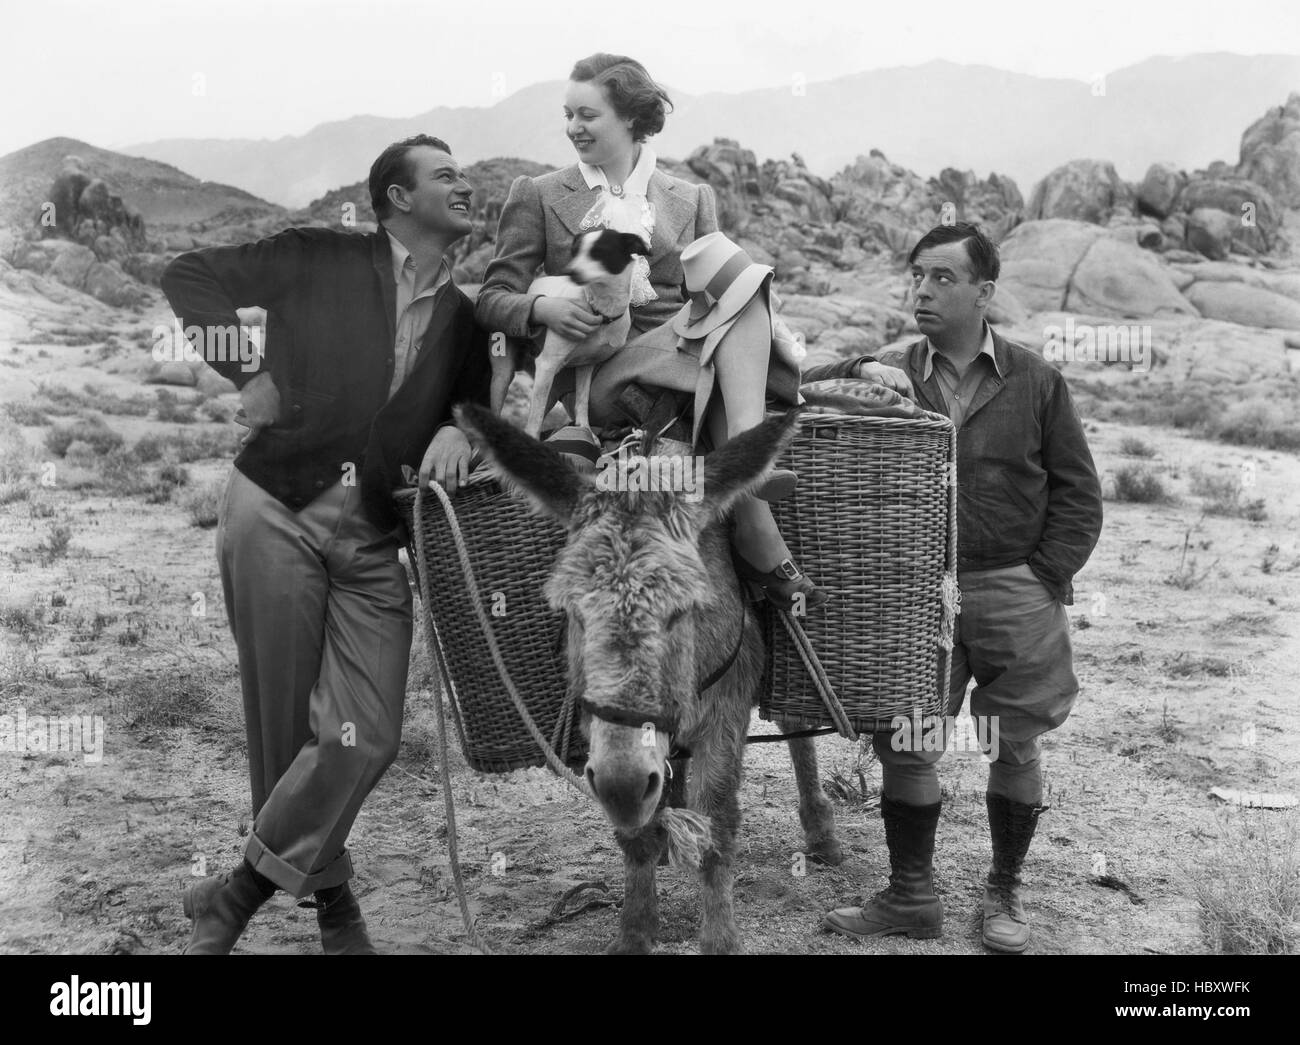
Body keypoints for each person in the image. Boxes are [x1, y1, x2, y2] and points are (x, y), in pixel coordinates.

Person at [160, 135, 490, 954]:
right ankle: (335, 903)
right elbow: (188, 276)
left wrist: (460, 430)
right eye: (445, 174)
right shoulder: (320, 252)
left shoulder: (467, 317)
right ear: (397, 197)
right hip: (276, 501)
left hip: (377, 536)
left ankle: (232, 893)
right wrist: (245, 374)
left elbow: (475, 410)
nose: (467, 184)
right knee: (287, 729)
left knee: (367, 731)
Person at [476, 53, 903, 611]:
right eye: (569, 115)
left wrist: (842, 364)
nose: (573, 128)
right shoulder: (538, 192)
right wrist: (541, 310)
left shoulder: (691, 196)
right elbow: (490, 298)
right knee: (741, 293)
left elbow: (714, 299)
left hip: (688, 356)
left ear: (631, 119)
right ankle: (755, 497)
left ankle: (748, 460)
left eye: (588, 115)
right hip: (606, 373)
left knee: (742, 283)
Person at [810, 222, 1103, 953]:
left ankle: (1003, 892)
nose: (924, 290)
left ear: (985, 291)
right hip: (913, 592)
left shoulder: (1036, 380)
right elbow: (797, 384)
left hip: (1014, 591)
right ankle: (913, 896)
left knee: (1015, 743)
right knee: (907, 743)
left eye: (943, 277)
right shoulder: (892, 369)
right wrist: (859, 370)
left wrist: (1042, 577)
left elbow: (1079, 494)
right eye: (917, 276)